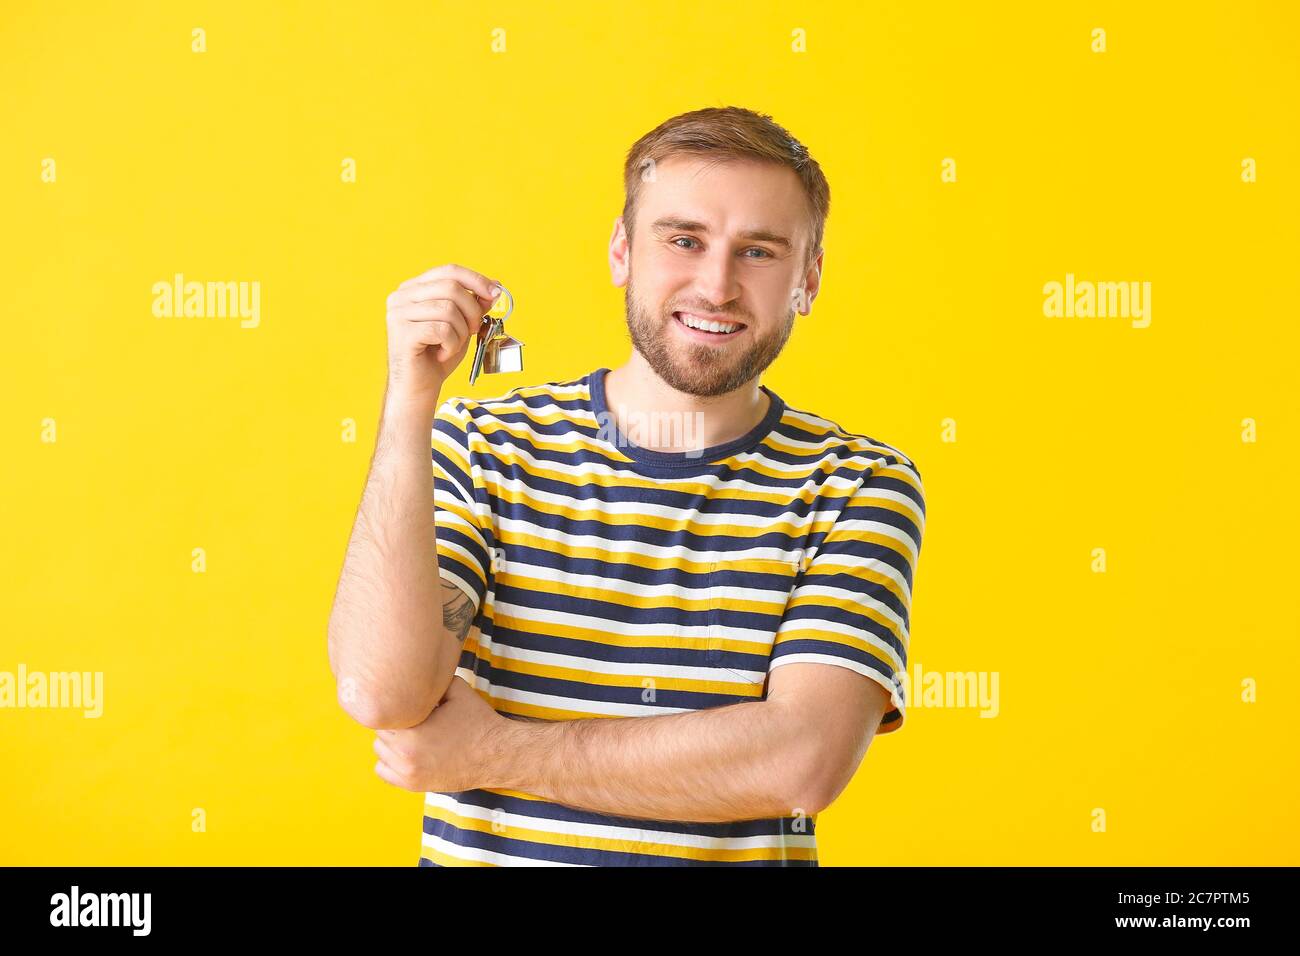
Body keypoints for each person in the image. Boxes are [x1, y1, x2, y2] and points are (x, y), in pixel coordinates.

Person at [328, 105, 926, 866]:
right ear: (621, 251)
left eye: (760, 252)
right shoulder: (483, 449)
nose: (716, 285)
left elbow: (799, 762)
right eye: (684, 240)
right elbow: (381, 694)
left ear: (808, 280)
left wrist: (491, 754)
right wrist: (410, 403)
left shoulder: (858, 485)